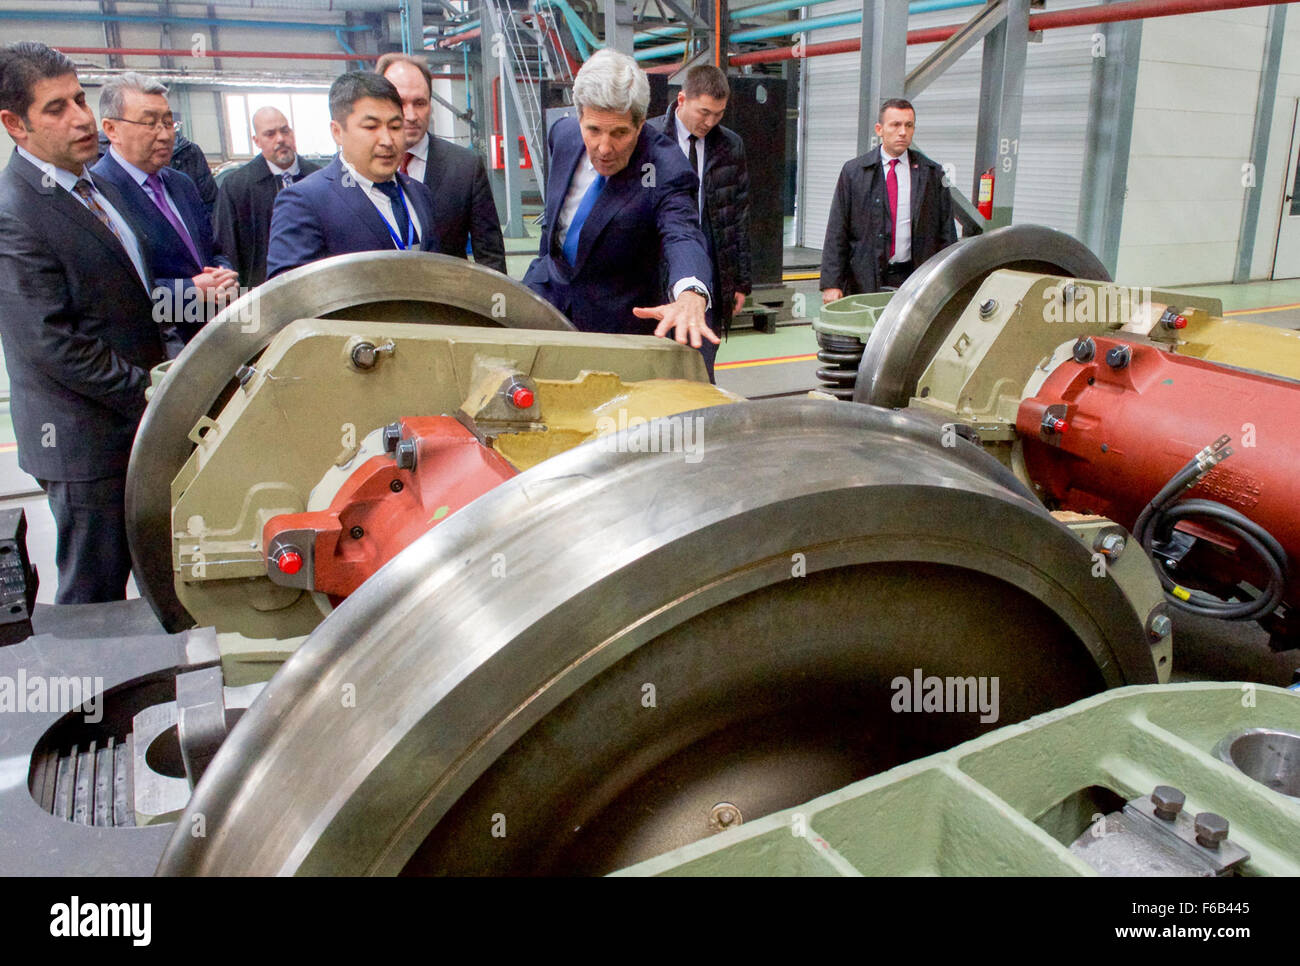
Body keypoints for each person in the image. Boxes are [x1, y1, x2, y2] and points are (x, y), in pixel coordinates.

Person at [0, 43, 166, 603]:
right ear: (13, 125)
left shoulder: (95, 186)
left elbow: (126, 293)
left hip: (134, 429)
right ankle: (84, 692)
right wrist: (150, 392)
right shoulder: (15, 213)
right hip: (85, 443)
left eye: (79, 98)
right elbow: (52, 342)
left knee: (159, 579)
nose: (81, 117)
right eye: (55, 108)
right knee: (92, 600)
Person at [523, 49, 713, 356]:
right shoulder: (563, 134)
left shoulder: (666, 168)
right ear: (580, 117)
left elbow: (683, 234)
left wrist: (691, 292)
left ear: (640, 124)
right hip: (547, 297)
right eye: (593, 130)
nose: (604, 147)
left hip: (615, 325)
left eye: (620, 132)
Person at [91, 73, 235, 346]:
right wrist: (190, 291)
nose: (166, 134)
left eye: (169, 122)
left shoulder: (181, 184)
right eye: (150, 123)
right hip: (158, 350)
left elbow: (212, 249)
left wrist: (223, 274)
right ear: (111, 130)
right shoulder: (99, 195)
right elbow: (113, 294)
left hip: (211, 338)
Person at [267, 72, 441, 278]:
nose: (387, 140)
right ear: (337, 132)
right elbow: (289, 294)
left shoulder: (419, 193)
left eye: (395, 126)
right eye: (371, 127)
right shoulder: (304, 202)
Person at [647, 64, 751, 380]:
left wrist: (739, 283)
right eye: (704, 112)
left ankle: (698, 425)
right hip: (657, 266)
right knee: (655, 369)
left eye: (718, 114)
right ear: (681, 99)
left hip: (709, 269)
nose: (709, 122)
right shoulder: (648, 140)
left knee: (700, 368)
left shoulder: (730, 146)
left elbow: (739, 217)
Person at [376, 52, 506, 273]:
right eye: (400, 102)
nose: (411, 115)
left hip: (446, 300)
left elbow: (490, 256)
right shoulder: (359, 169)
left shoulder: (465, 168)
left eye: (420, 103)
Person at [820, 98, 957, 301]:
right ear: (879, 129)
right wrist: (832, 283)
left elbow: (946, 232)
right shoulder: (854, 172)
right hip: (864, 279)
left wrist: (949, 281)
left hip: (915, 278)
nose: (903, 131)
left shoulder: (932, 174)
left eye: (908, 125)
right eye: (895, 125)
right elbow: (837, 229)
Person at [214, 106, 322, 288]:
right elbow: (227, 248)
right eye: (270, 134)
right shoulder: (236, 186)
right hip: (262, 290)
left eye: (284, 131)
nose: (280, 139)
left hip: (317, 286)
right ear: (257, 141)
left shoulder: (319, 178)